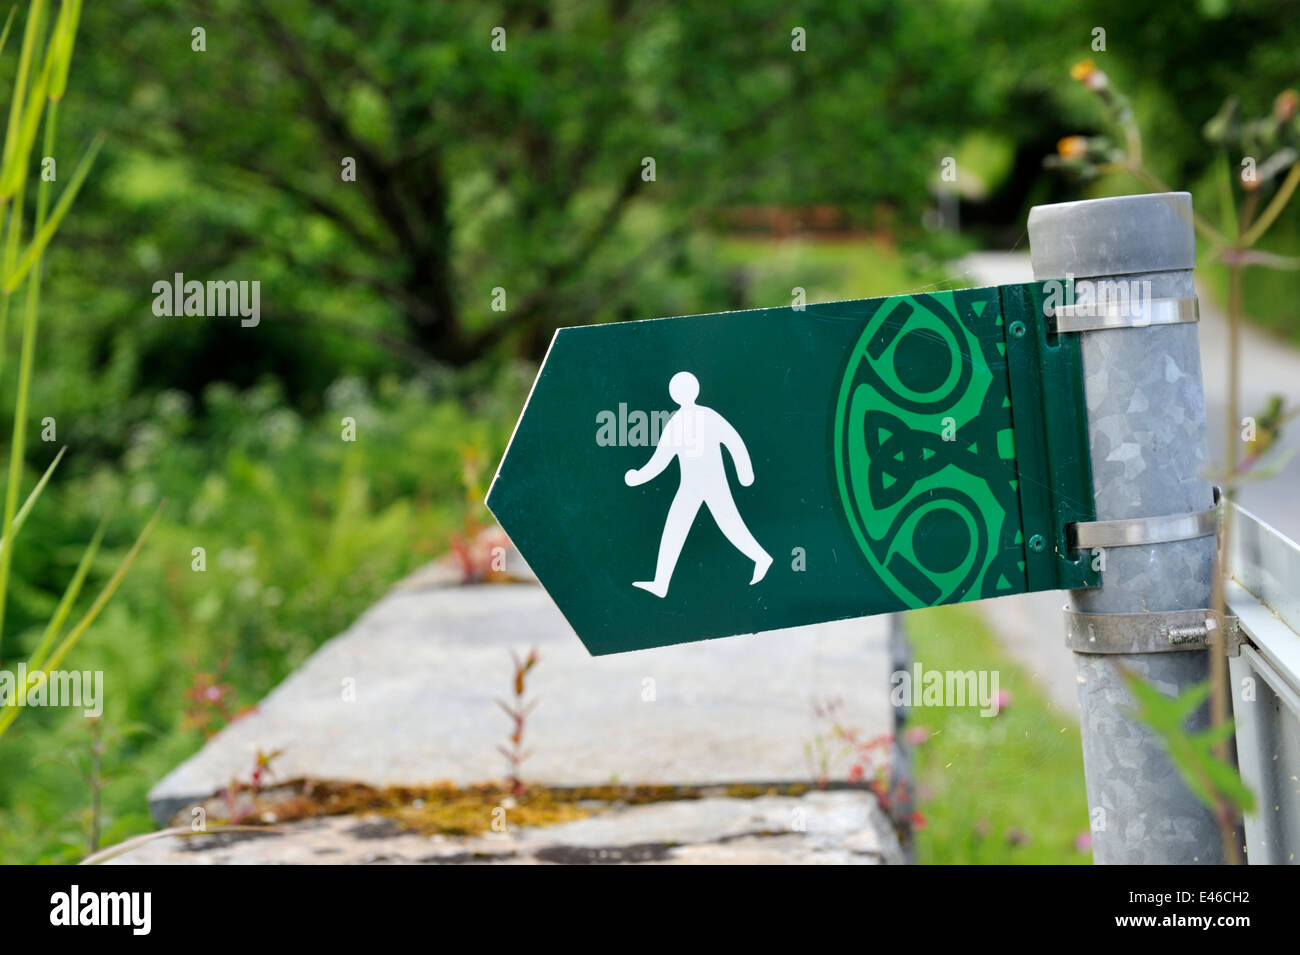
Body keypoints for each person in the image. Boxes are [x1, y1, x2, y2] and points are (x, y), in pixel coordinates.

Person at [624, 371, 773, 597]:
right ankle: (661, 583)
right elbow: (661, 459)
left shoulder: (702, 417)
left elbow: (733, 441)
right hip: (691, 487)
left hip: (714, 483)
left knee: (731, 525)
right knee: (676, 527)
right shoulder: (680, 422)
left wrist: (745, 472)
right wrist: (638, 477)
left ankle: (762, 558)